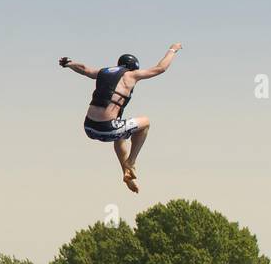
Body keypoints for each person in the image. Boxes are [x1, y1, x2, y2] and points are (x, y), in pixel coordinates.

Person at [60, 44, 183, 193]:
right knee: (145, 122)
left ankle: (126, 173)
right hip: (106, 129)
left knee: (121, 134)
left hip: (88, 127)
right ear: (134, 68)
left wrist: (69, 63)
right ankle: (130, 163)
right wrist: (172, 50)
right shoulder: (131, 75)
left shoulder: (103, 72)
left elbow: (85, 69)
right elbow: (160, 68)